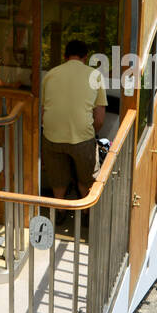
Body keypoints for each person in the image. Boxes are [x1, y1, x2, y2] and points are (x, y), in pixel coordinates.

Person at [41, 39, 106, 201]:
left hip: (52, 137)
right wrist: (91, 135)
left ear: (65, 56)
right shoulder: (95, 76)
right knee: (86, 182)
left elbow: (43, 112)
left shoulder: (50, 75)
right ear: (86, 57)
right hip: (83, 138)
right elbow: (99, 119)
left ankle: (60, 210)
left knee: (58, 182)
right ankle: (85, 211)